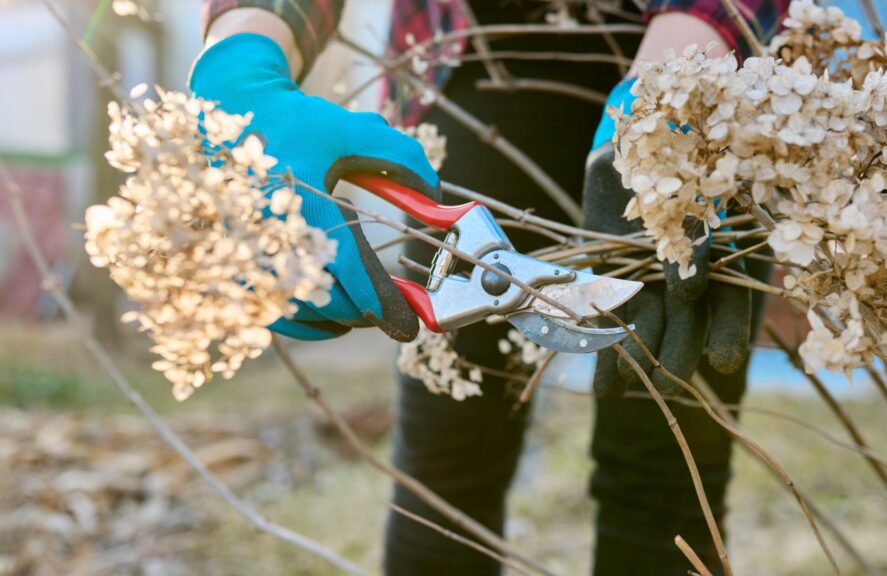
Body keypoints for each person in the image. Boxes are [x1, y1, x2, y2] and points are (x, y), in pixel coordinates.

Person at [190, 1, 787, 574]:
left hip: (702, 65)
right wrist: (241, 67)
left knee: (666, 459)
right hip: (474, 47)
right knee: (450, 453)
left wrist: (670, 87)